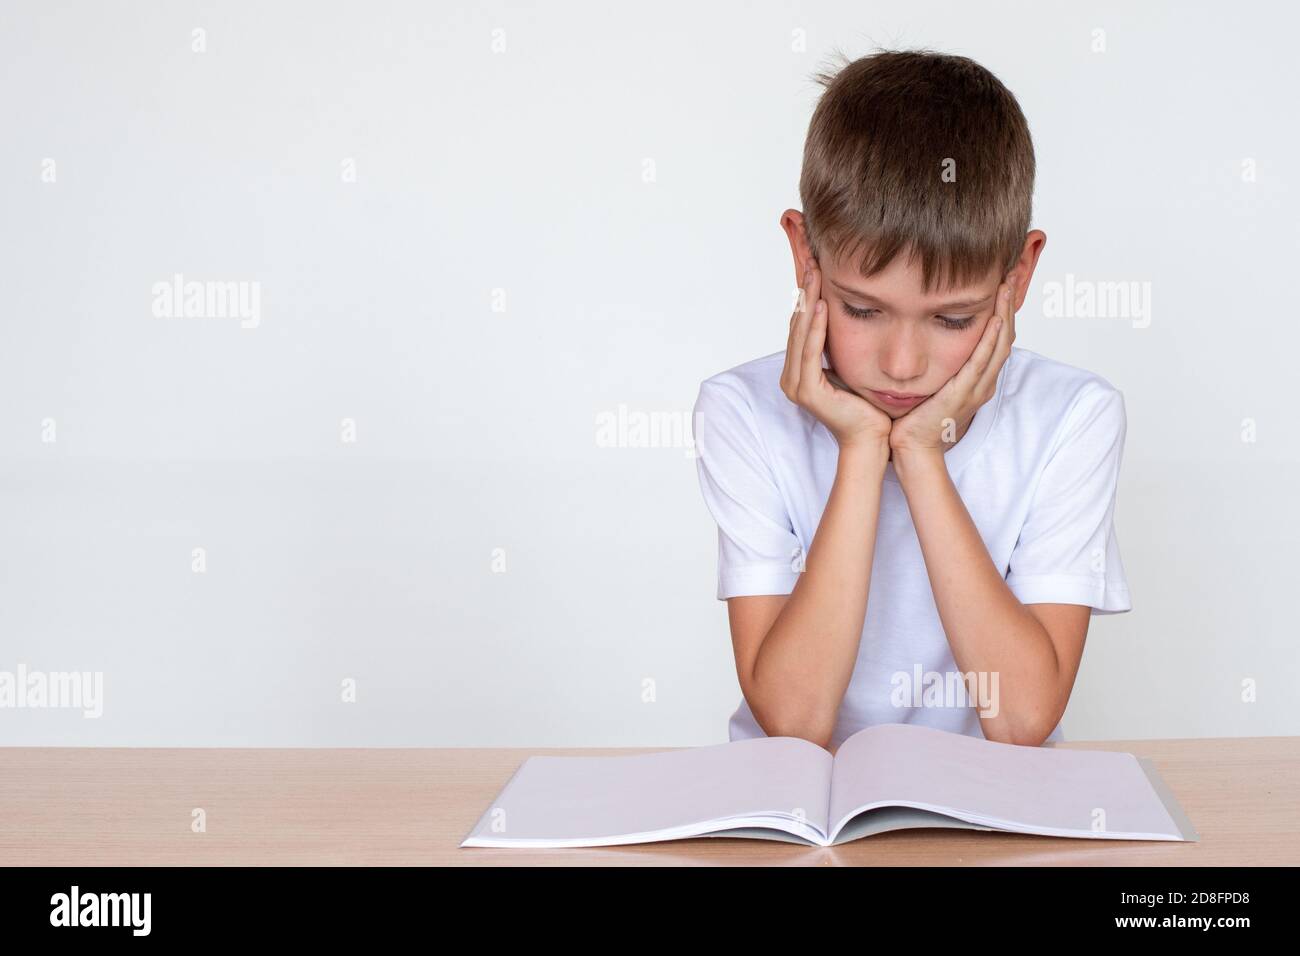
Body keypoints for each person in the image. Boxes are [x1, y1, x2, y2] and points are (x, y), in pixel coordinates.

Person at [692, 49, 1131, 753]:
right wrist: (862, 451)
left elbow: (1020, 720)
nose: (902, 365)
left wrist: (920, 454)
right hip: (801, 822)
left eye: (952, 320)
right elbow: (795, 723)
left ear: (1018, 276)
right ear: (806, 258)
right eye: (862, 310)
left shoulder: (1072, 417)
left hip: (989, 825)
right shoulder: (741, 412)